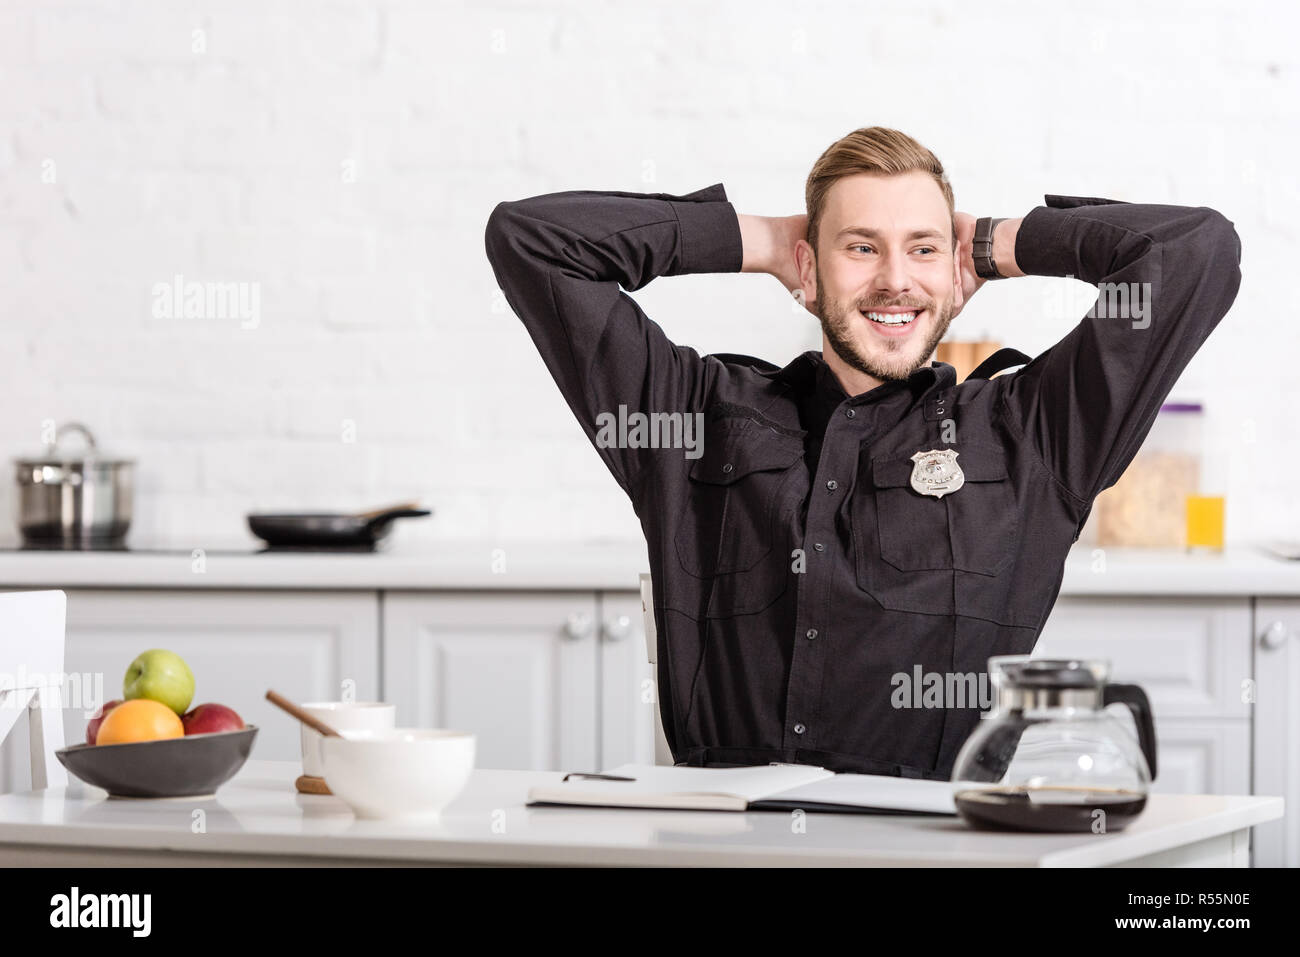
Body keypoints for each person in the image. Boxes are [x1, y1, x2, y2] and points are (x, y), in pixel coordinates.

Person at [483, 126, 1242, 779]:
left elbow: (1195, 253)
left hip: (936, 854)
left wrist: (992, 242)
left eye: (921, 249)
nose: (894, 279)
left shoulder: (1031, 435)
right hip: (721, 851)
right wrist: (765, 240)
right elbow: (533, 242)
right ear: (810, 272)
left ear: (951, 275)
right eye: (859, 247)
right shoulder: (691, 417)